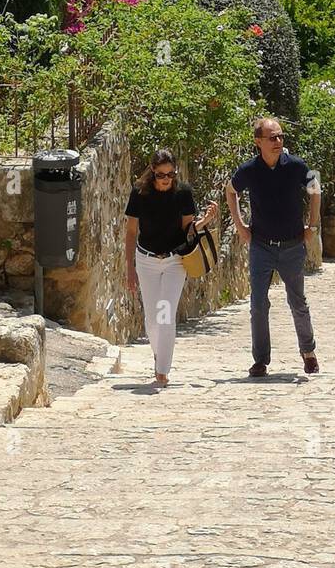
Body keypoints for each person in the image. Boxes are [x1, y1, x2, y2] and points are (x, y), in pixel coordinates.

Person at [226, 118, 320, 378]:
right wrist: (240, 225)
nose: (278, 142)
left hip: (292, 244)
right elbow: (230, 190)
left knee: (297, 300)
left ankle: (308, 352)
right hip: (261, 246)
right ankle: (261, 360)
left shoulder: (297, 165)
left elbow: (315, 189)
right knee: (258, 303)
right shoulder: (249, 170)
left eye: (280, 137)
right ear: (259, 142)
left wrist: (312, 226)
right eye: (272, 138)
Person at [125, 149, 219, 387]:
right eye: (160, 175)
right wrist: (129, 268)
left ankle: (162, 370)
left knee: (165, 314)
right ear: (152, 172)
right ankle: (159, 355)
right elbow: (131, 232)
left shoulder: (183, 193)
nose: (166, 179)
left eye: (170, 174)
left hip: (174, 261)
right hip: (146, 260)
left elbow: (187, 230)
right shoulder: (139, 193)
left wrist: (205, 221)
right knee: (152, 318)